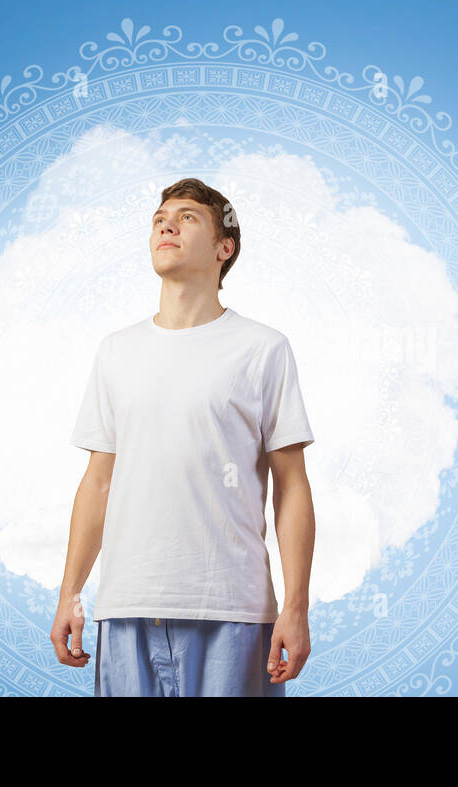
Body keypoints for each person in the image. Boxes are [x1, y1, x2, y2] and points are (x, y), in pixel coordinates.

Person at [50, 178, 316, 696]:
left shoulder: (262, 349)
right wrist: (70, 595)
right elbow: (98, 482)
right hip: (128, 609)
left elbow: (293, 486)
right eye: (159, 218)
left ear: (224, 248)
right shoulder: (116, 351)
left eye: (188, 216)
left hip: (233, 612)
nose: (166, 224)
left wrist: (296, 607)